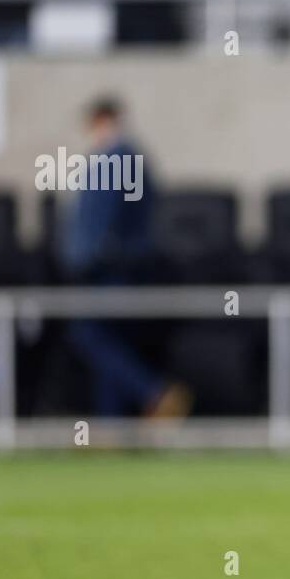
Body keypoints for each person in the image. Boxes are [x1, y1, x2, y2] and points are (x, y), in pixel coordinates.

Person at [57, 98, 190, 419]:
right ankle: (112, 426)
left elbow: (100, 226)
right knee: (112, 343)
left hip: (113, 272)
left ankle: (154, 392)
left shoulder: (116, 160)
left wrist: (84, 261)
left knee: (88, 334)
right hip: (123, 268)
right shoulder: (131, 161)